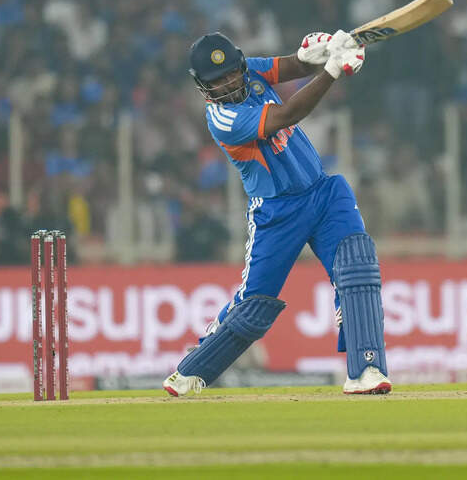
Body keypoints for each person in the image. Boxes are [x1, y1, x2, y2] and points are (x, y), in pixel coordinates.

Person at [162, 30, 392, 396]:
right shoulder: (223, 119)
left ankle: (366, 369)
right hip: (277, 212)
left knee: (357, 267)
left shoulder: (249, 70)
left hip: (323, 192)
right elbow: (288, 114)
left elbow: (293, 66)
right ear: (203, 87)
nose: (229, 83)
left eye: (232, 73)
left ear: (240, 64)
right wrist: (332, 69)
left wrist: (318, 53)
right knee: (254, 305)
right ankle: (194, 367)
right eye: (217, 81)